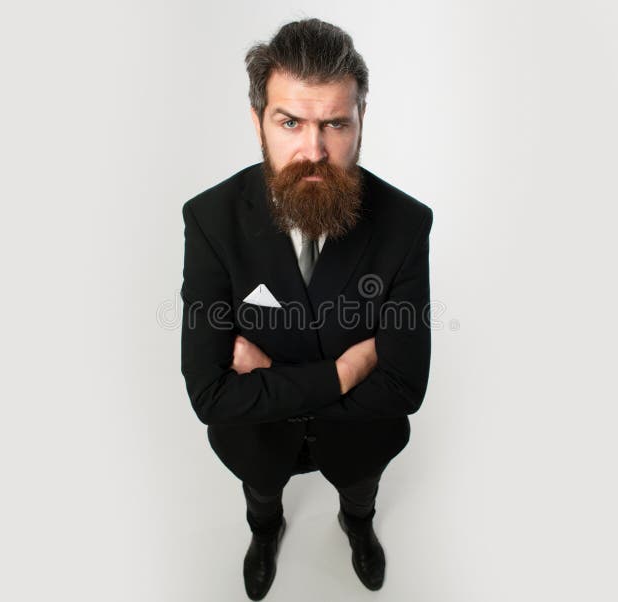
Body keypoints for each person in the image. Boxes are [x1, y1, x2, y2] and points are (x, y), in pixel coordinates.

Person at [180, 18, 433, 600]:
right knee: (260, 498)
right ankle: (265, 533)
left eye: (334, 124)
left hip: (360, 440)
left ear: (360, 121)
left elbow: (404, 387)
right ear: (258, 122)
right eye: (290, 122)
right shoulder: (211, 220)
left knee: (361, 493)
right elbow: (209, 395)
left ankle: (358, 526)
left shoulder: (405, 223)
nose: (312, 150)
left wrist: (269, 378)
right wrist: (346, 370)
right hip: (256, 440)